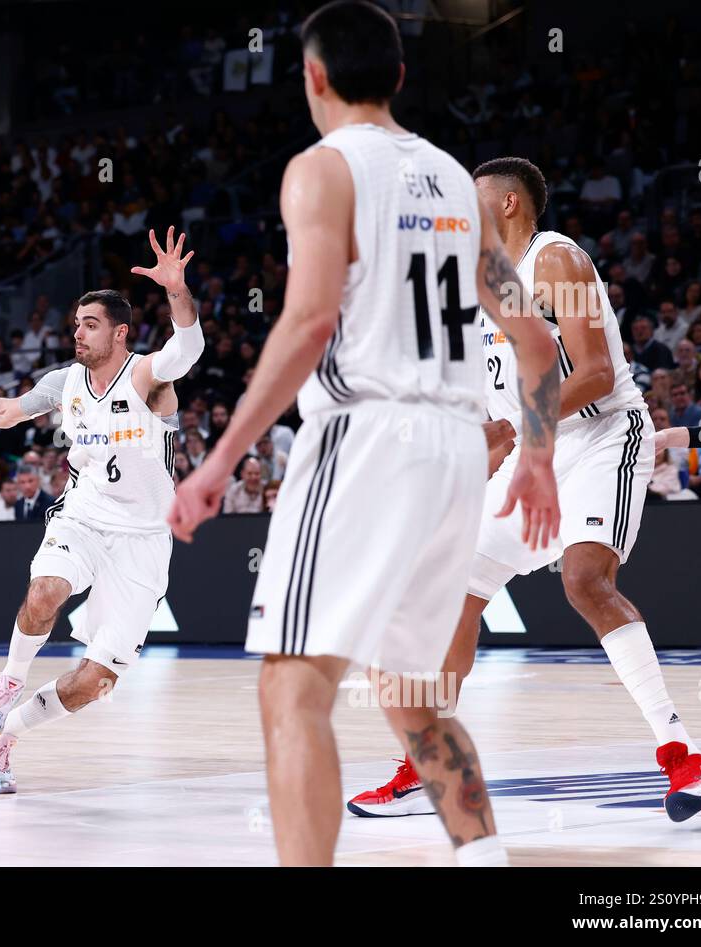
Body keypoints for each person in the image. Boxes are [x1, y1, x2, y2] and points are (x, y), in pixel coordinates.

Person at [170, 2, 561, 867]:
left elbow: (308, 321)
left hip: (369, 437)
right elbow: (534, 336)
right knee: (415, 696)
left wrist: (218, 461)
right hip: (459, 448)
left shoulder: (322, 168)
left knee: (293, 684)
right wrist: (537, 457)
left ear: (312, 77)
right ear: (400, 78)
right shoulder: (460, 182)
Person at [345, 155, 701, 824]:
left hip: (605, 436)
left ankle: (683, 755)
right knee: (454, 589)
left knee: (583, 580)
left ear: (510, 204)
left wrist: (514, 425)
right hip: (536, 445)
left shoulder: (557, 263)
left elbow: (598, 374)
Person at [0, 226, 202, 795]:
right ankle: (7, 684)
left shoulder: (150, 378)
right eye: (76, 323)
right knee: (44, 591)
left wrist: (178, 292)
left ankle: (5, 734)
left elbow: (188, 349)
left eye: (90, 324)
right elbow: (5, 412)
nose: (77, 332)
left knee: (95, 683)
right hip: (82, 515)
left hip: (145, 539)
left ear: (120, 331)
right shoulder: (65, 381)